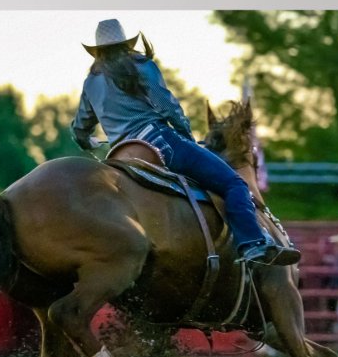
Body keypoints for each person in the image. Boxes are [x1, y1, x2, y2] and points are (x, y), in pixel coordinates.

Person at [71, 19, 300, 266]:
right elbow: (168, 107)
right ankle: (252, 243)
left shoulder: (90, 82)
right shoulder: (141, 66)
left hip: (118, 156)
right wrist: (187, 137)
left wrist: (89, 142)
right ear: (126, 45)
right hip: (159, 142)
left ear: (98, 51)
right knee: (234, 183)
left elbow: (80, 129)